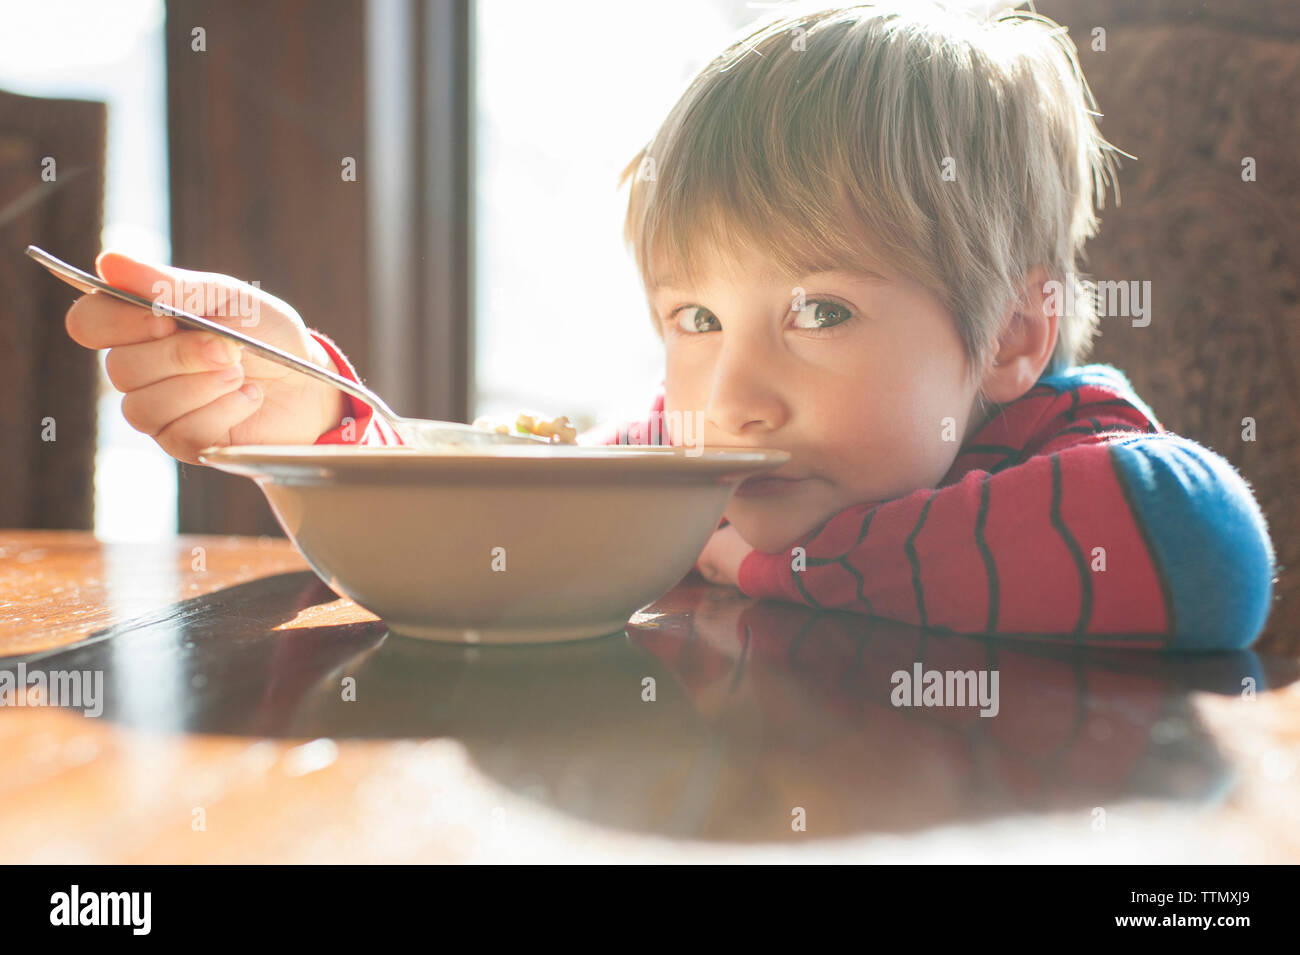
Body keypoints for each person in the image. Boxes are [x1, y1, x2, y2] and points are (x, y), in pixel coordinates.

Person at [64, 1, 1276, 649]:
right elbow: (501, 530)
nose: (731, 395)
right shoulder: (685, 458)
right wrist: (321, 420)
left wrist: (763, 566)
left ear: (1010, 336)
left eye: (820, 310)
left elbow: (1210, 555)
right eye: (695, 316)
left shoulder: (1073, 452)